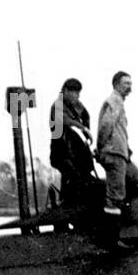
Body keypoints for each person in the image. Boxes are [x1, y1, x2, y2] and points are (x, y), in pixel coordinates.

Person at [95, 70, 138, 219]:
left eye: (130, 84)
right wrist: (102, 148)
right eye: (126, 84)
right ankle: (115, 236)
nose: (129, 87)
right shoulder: (114, 101)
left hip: (121, 153)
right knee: (115, 197)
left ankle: (134, 222)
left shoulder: (118, 102)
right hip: (114, 154)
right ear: (116, 85)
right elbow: (106, 125)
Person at [49, 77, 98, 210]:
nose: (78, 96)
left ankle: (76, 208)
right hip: (62, 153)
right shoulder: (57, 106)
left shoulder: (76, 105)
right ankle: (65, 208)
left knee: (84, 180)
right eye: (75, 92)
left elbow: (86, 115)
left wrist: (86, 129)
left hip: (76, 154)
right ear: (65, 91)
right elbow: (66, 121)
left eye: (78, 93)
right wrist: (83, 129)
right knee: (73, 178)